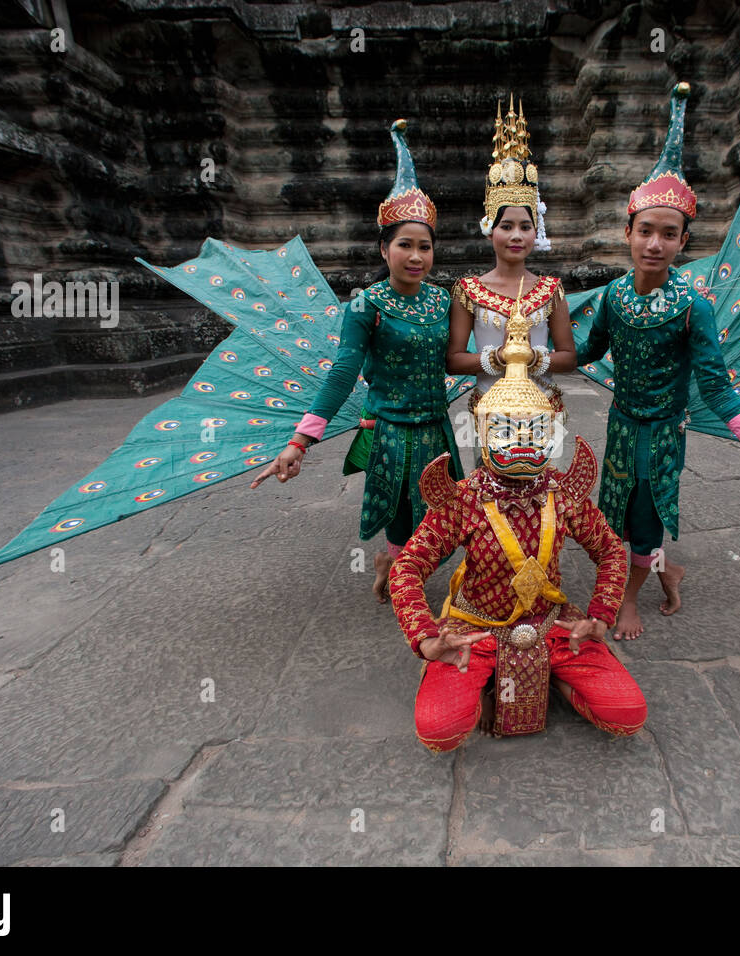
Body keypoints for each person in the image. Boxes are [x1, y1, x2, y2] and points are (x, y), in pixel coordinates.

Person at [575, 84, 740, 641]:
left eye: (668, 234)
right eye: (645, 231)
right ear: (628, 233)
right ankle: (667, 572)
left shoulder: (694, 306)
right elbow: (588, 353)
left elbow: (717, 385)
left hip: (664, 431)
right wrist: (531, 354)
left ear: (683, 241)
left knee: (645, 513)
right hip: (621, 424)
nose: (654, 244)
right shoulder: (612, 297)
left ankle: (628, 598)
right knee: (613, 511)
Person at [389, 295, 645, 753]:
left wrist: (601, 615)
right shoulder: (463, 499)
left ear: (552, 432)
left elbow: (609, 550)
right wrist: (427, 637)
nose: (522, 444)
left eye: (534, 432)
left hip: (552, 623)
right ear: (482, 431)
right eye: (506, 430)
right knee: (439, 731)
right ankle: (487, 680)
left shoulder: (563, 493)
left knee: (628, 714)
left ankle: (549, 677)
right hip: (475, 627)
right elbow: (407, 568)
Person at [251, 119, 462, 602]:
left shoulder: (444, 301)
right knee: (403, 515)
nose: (416, 255)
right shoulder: (365, 305)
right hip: (391, 431)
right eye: (404, 244)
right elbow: (344, 372)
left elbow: (455, 360)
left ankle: (399, 566)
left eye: (424, 246)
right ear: (384, 248)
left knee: (444, 512)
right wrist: (301, 440)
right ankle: (402, 580)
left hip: (437, 427)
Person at [446, 96, 576, 476]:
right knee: (488, 492)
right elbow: (454, 360)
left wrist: (534, 359)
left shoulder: (551, 289)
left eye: (525, 226)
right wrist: (499, 359)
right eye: (506, 226)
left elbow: (569, 356)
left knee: (541, 491)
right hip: (487, 407)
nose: (516, 235)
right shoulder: (467, 290)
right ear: (490, 229)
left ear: (538, 231)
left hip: (543, 406)